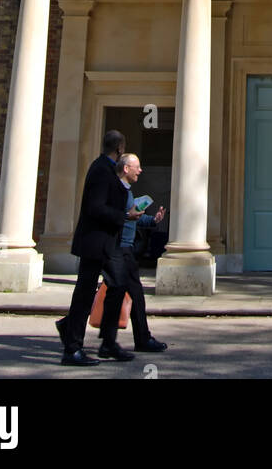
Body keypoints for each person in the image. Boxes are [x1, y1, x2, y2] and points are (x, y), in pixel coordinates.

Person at [55, 129, 136, 366]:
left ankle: (107, 342)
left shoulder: (107, 169)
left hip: (106, 242)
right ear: (120, 149)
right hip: (94, 242)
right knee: (84, 294)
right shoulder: (101, 170)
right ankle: (72, 349)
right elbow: (95, 208)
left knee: (119, 285)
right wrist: (124, 215)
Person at [98, 153, 168, 357]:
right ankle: (111, 342)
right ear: (126, 169)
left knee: (132, 295)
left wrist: (153, 220)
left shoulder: (126, 192)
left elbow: (132, 217)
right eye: (136, 167)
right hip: (118, 248)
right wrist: (128, 216)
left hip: (125, 249)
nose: (140, 170)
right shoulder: (117, 190)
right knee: (118, 293)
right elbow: (116, 216)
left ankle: (138, 339)